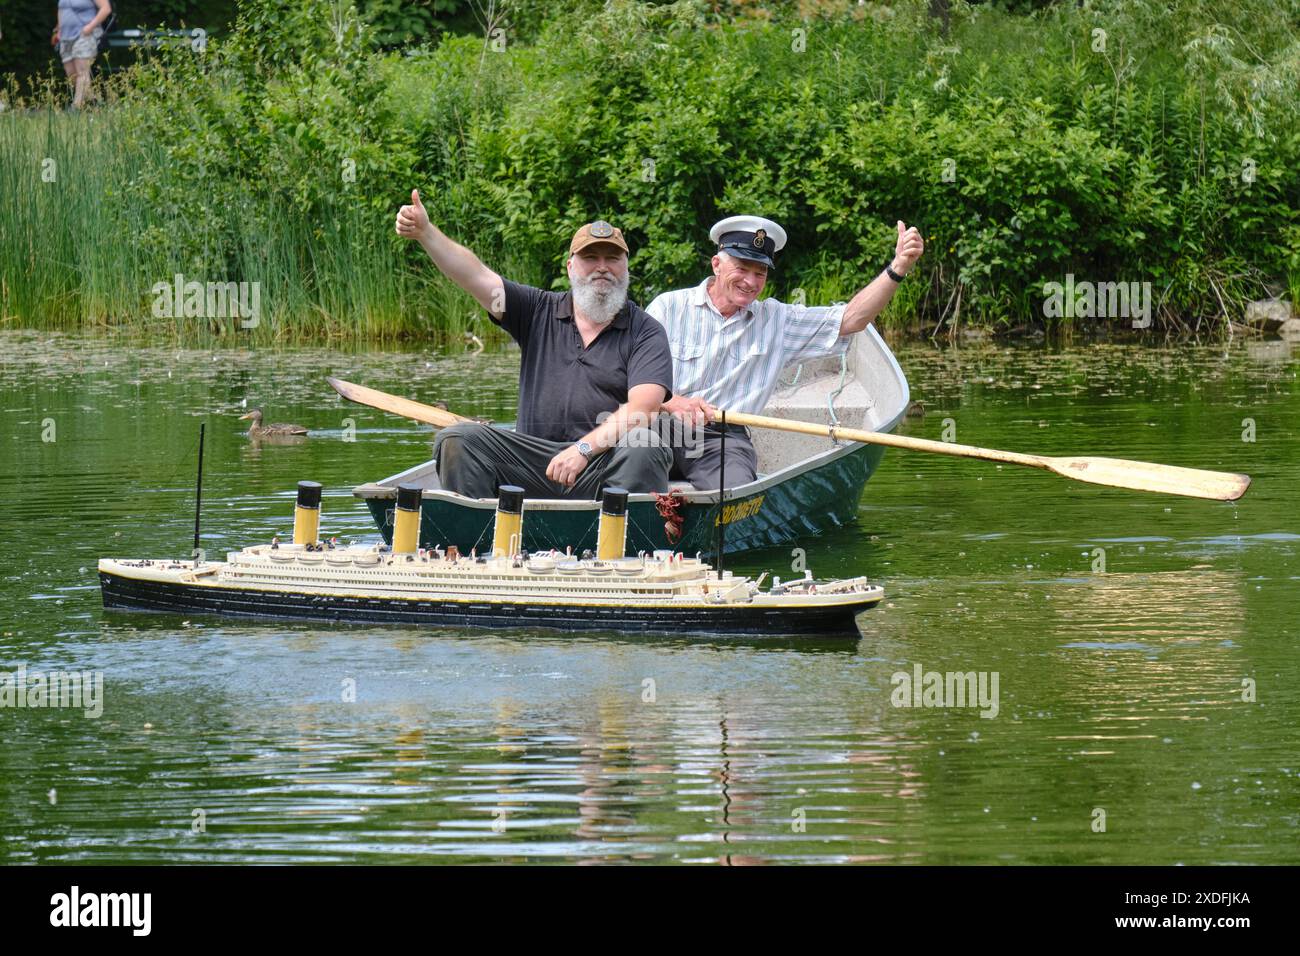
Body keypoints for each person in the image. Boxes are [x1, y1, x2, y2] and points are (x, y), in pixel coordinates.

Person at [394, 189, 673, 499]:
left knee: (646, 446)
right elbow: (475, 276)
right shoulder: (536, 310)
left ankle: (620, 540)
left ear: (626, 268)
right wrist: (426, 233)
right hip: (530, 465)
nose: (602, 267)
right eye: (591, 257)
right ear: (570, 268)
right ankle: (479, 540)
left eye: (612, 258)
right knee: (457, 438)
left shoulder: (646, 331)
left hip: (601, 466)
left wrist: (583, 450)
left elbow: (643, 408)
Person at [646, 215, 924, 489]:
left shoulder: (777, 320)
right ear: (717, 264)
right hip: (659, 424)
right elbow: (633, 377)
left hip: (722, 439)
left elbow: (851, 319)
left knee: (735, 491)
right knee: (626, 466)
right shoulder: (668, 307)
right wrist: (673, 401)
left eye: (760, 272)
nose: (751, 282)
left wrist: (898, 267)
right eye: (742, 268)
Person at [52, 0, 112, 110]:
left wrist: (89, 27)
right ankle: (95, 103)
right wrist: (59, 30)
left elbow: (106, 9)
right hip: (65, 37)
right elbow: (61, 9)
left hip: (85, 35)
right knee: (72, 75)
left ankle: (76, 108)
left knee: (82, 72)